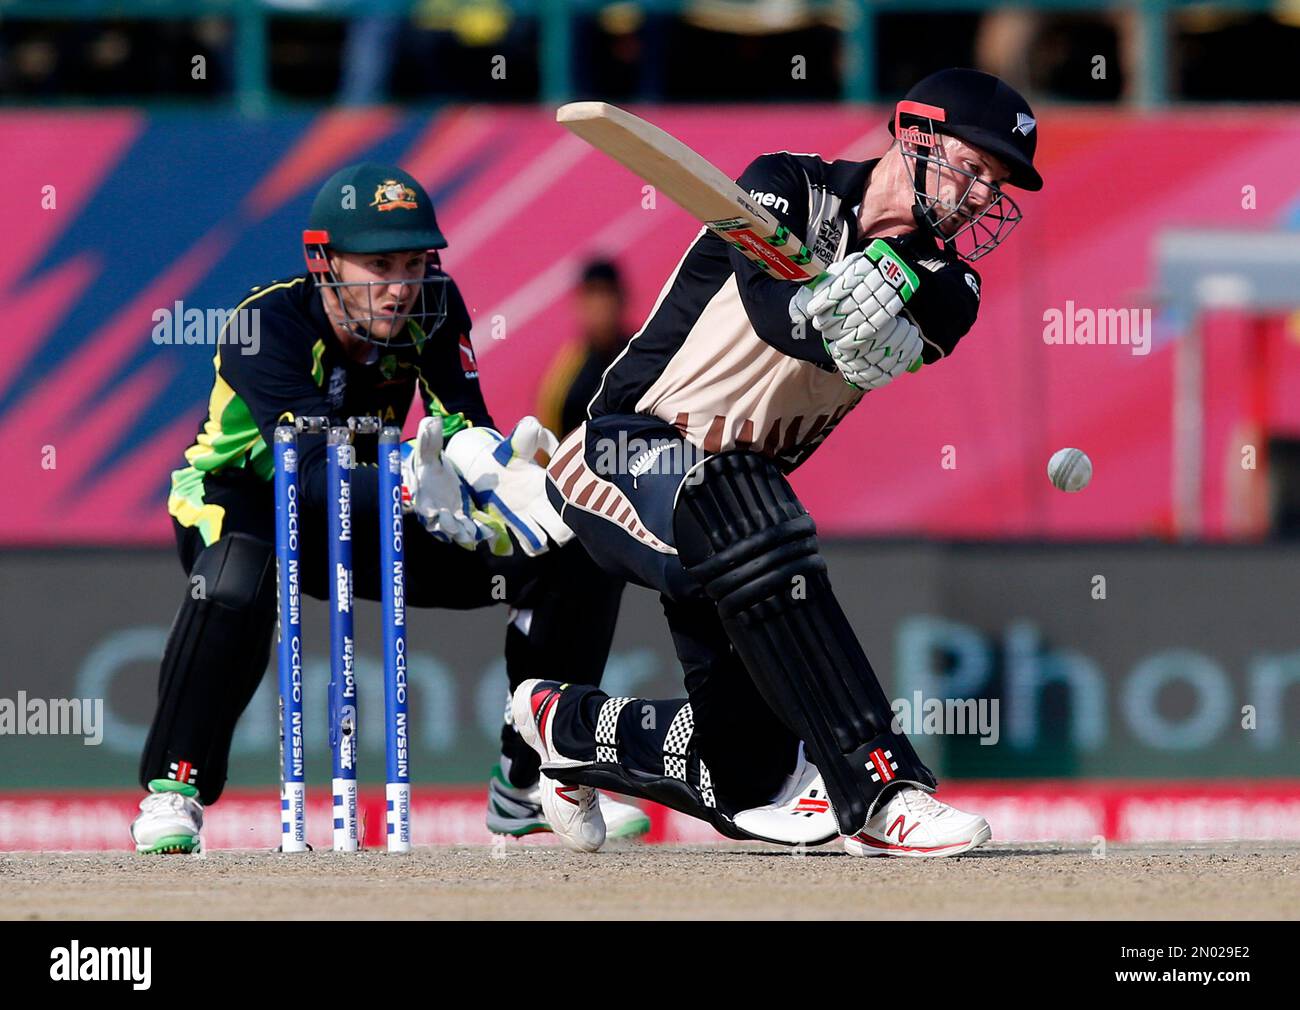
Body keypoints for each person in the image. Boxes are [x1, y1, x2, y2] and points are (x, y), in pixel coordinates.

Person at [509, 68, 1044, 856]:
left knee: (748, 776)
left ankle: (567, 724)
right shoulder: (786, 185)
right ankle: (880, 785)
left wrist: (885, 306)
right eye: (972, 167)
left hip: (735, 514)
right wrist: (823, 318)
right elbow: (772, 313)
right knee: (749, 505)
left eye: (994, 185)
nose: (977, 196)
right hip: (624, 447)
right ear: (915, 135)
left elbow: (935, 309)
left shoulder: (951, 281)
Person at [131, 162, 647, 854]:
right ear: (322, 261)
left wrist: (501, 473)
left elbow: (461, 421)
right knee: (237, 573)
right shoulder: (267, 325)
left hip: (372, 494)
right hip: (247, 499)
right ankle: (175, 789)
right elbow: (309, 474)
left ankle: (533, 781)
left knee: (570, 551)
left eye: (413, 261)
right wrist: (407, 479)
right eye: (378, 264)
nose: (401, 285)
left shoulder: (432, 306)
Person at [537, 259, 631, 438]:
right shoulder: (565, 379)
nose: (601, 304)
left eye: (606, 293)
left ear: (621, 298)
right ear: (581, 303)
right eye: (593, 294)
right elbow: (548, 448)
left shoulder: (642, 354)